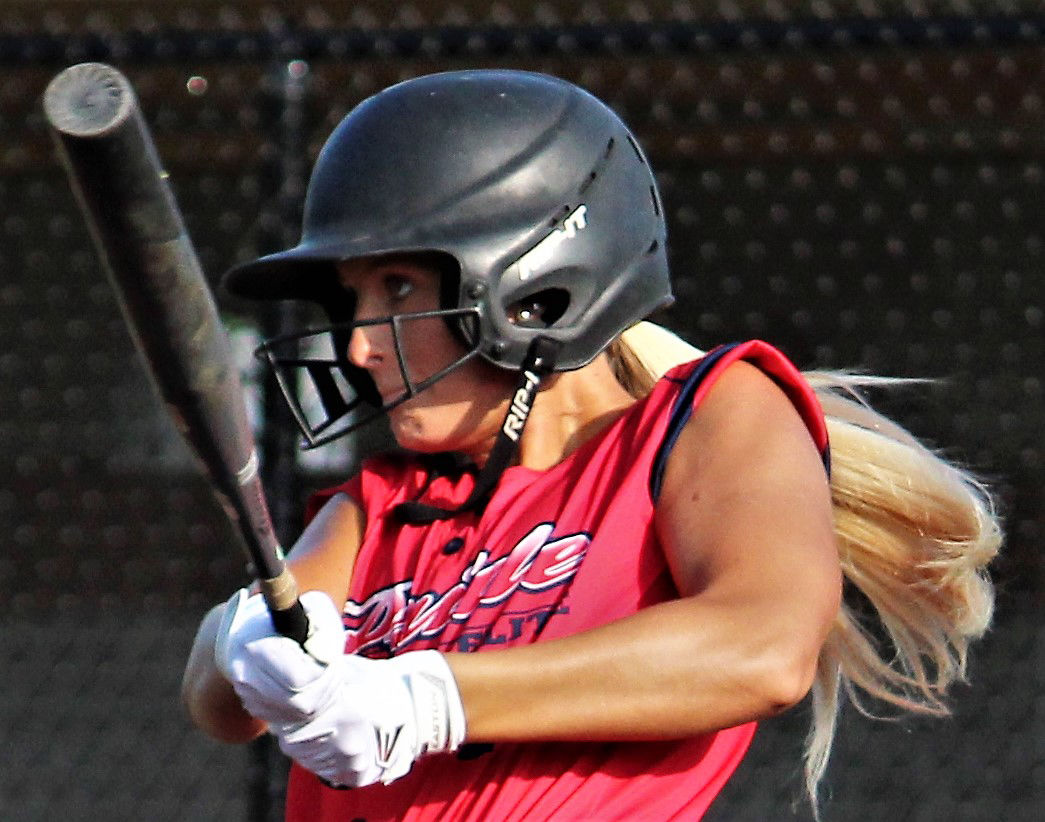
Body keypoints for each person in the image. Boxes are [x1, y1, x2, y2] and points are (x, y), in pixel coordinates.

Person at [181, 69, 1001, 821]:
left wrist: (427, 699)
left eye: (397, 288)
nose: (360, 346)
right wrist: (239, 642)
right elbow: (218, 704)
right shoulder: (387, 503)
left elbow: (760, 647)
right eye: (353, 301)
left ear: (535, 287)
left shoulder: (703, 418)